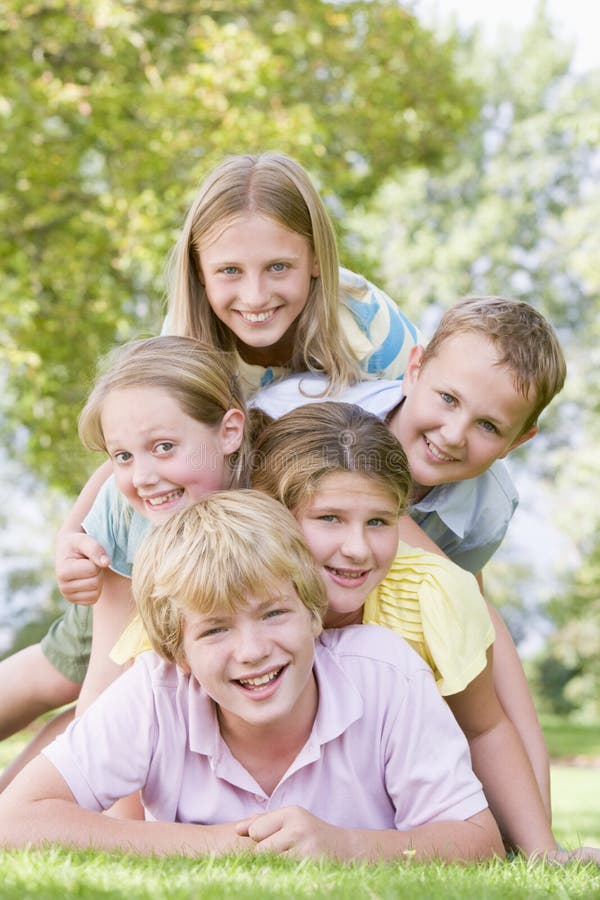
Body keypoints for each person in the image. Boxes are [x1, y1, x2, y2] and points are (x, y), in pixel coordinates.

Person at [0, 492, 504, 863]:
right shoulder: (157, 690)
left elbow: (478, 840)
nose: (253, 651)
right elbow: (16, 818)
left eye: (273, 615)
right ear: (179, 651)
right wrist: (216, 844)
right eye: (216, 629)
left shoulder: (386, 674)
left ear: (312, 613)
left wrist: (346, 845)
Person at [0, 336, 251, 788]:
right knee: (57, 676)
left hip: (178, 609)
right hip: (122, 581)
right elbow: (102, 685)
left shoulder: (262, 503)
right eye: (123, 456)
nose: (144, 477)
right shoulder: (126, 508)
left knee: (129, 698)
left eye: (164, 447)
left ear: (229, 432)